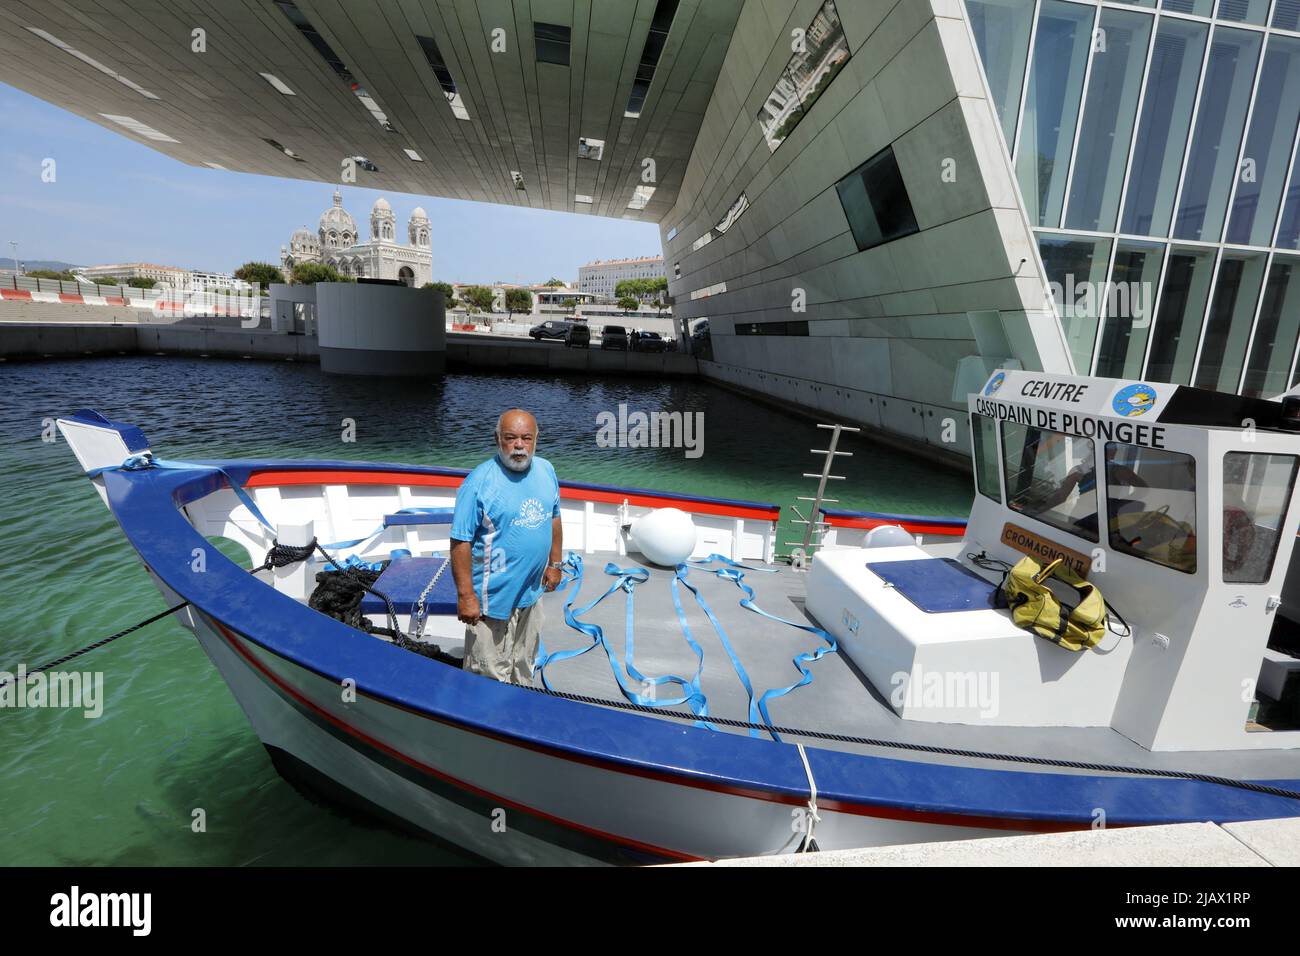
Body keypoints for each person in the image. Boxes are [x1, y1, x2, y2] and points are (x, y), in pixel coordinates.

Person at [449, 409, 563, 684]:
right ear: (497, 438)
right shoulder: (479, 482)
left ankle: (518, 707)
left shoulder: (546, 470)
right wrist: (466, 596)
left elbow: (554, 517)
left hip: (532, 592)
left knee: (524, 662)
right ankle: (484, 722)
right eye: (510, 438)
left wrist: (555, 564)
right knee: (488, 674)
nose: (519, 445)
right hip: (492, 599)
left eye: (526, 438)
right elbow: (460, 541)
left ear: (536, 439)